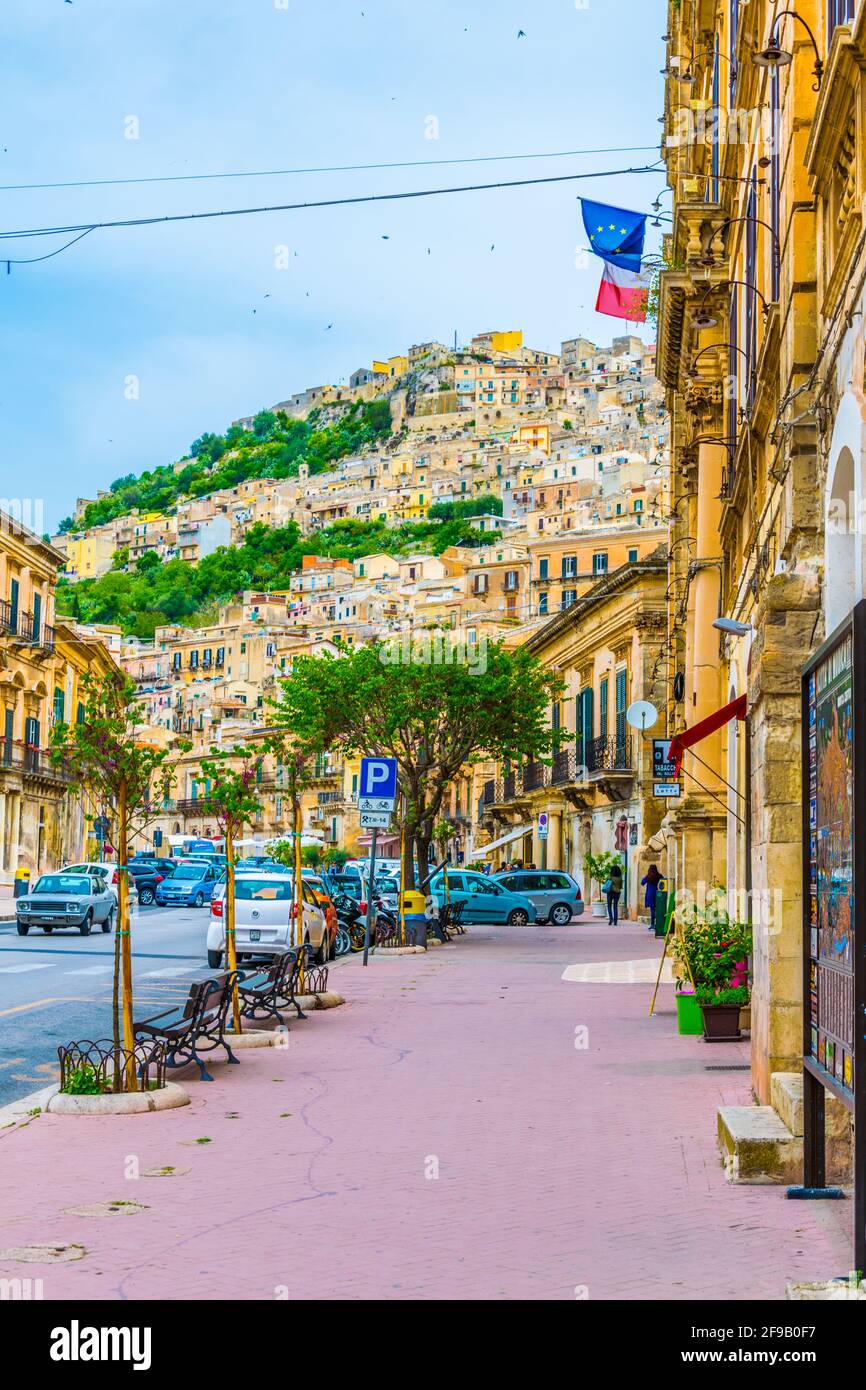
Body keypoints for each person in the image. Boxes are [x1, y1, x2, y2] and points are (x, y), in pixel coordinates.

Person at [642, 864, 662, 931]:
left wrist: (647, 875)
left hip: (650, 894)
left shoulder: (648, 876)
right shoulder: (659, 876)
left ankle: (652, 924)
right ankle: (658, 924)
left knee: (652, 910)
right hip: (658, 894)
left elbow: (642, 883)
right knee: (658, 910)